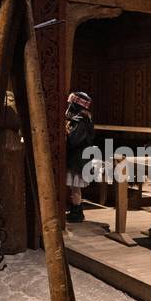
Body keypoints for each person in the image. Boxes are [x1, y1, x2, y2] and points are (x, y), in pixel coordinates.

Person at [64, 90, 95, 223]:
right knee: (74, 188)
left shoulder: (82, 121)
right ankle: (75, 210)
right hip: (78, 158)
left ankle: (77, 212)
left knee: (75, 187)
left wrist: (66, 133)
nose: (69, 107)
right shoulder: (80, 119)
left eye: (71, 104)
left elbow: (74, 141)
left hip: (79, 160)